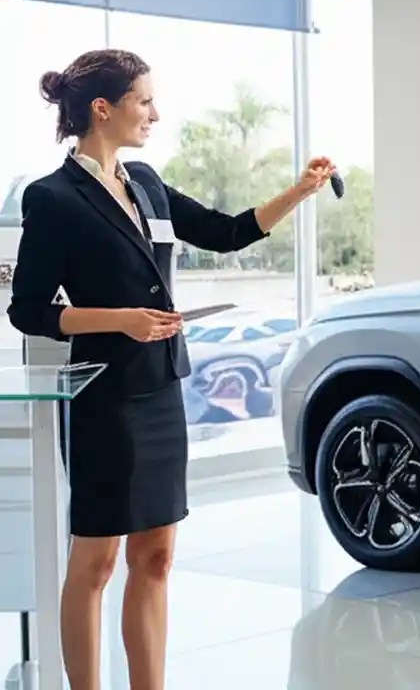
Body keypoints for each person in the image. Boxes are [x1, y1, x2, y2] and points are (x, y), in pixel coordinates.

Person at [7, 48, 335, 690]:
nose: (155, 113)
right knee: (97, 562)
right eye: (144, 101)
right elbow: (28, 310)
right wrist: (117, 319)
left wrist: (300, 190)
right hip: (103, 395)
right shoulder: (52, 198)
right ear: (103, 109)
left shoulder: (148, 183)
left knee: (155, 557)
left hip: (161, 388)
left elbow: (228, 232)